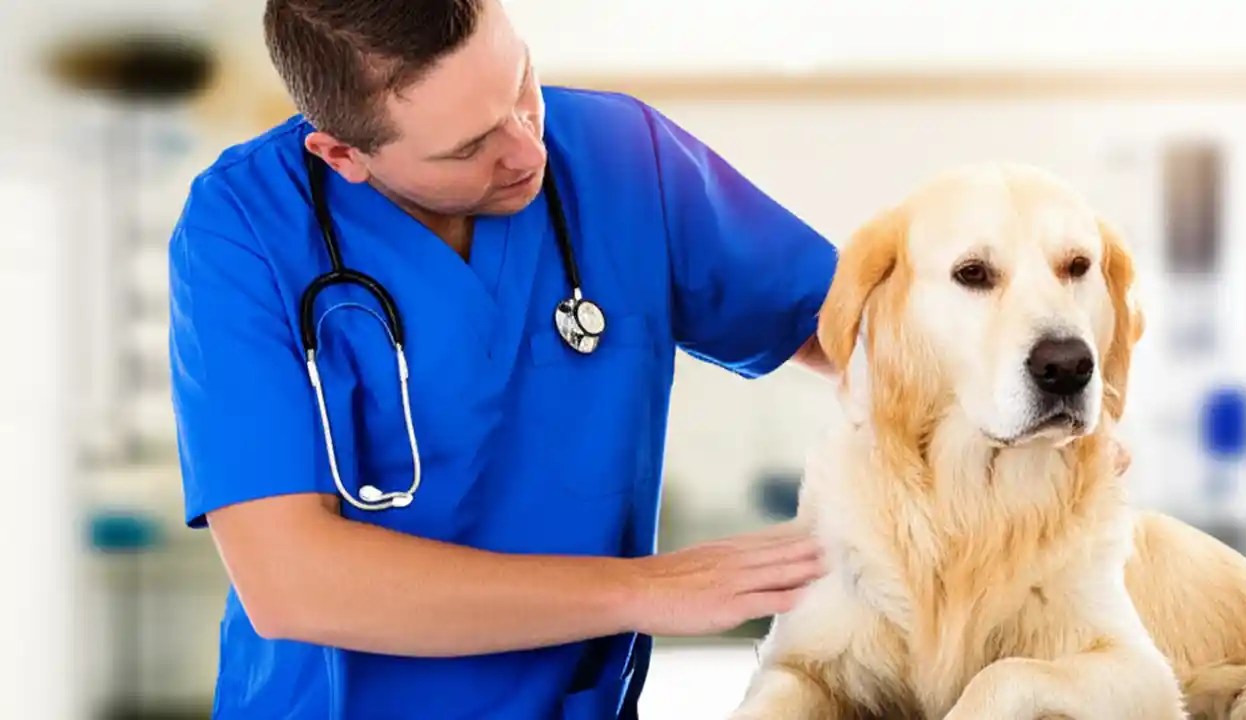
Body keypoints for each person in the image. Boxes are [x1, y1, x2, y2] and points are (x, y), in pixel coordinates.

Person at [167, 0, 839, 717]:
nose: (529, 152)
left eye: (523, 86)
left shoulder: (621, 154)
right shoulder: (242, 227)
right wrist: (648, 590)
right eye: (468, 148)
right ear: (342, 155)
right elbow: (292, 581)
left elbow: (860, 329)